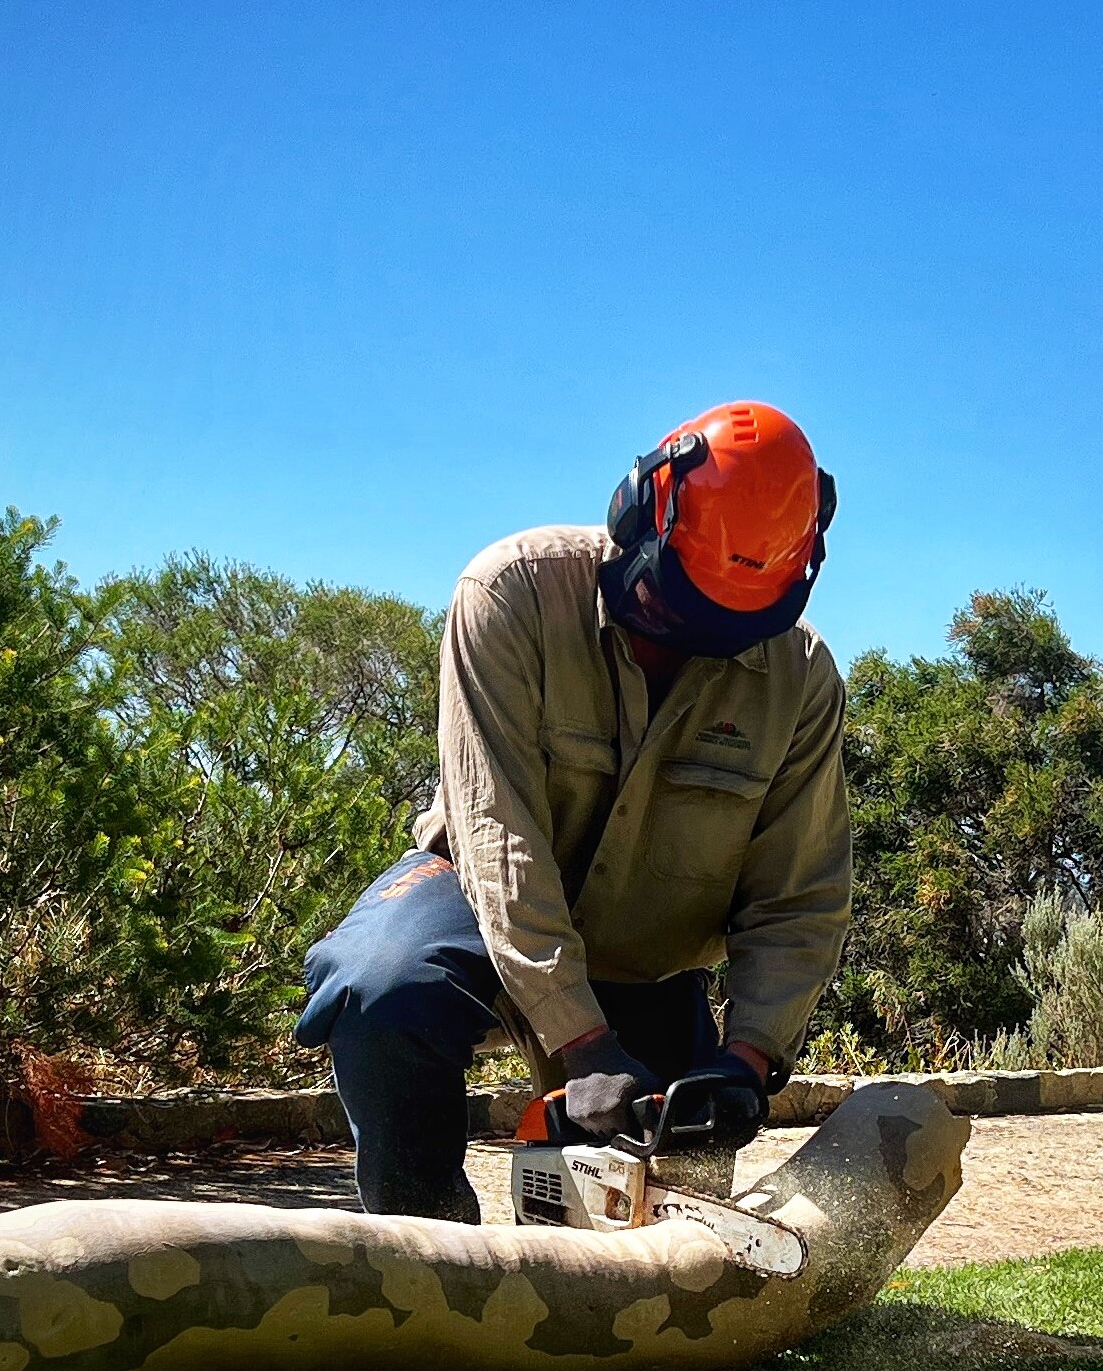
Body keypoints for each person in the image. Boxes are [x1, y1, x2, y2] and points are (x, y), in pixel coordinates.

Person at [295, 402, 850, 1221]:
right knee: (380, 991)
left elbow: (799, 895)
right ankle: (428, 1257)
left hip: (649, 954)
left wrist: (748, 1059)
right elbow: (499, 837)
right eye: (676, 608)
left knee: (671, 1205)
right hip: (476, 897)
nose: (692, 641)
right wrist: (583, 1042)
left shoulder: (800, 676)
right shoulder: (510, 595)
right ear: (638, 515)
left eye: (725, 629)